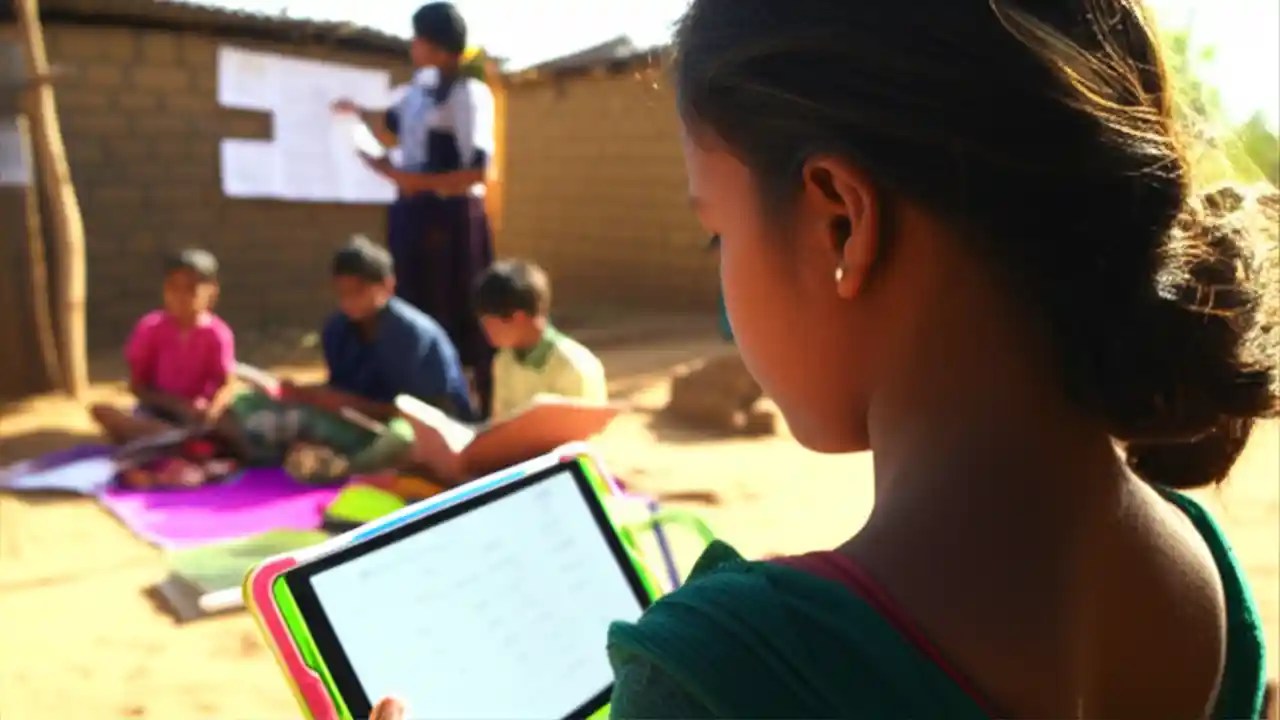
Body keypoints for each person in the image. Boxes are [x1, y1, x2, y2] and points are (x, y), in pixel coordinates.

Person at [370, 0, 1278, 718]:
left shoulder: (729, 670)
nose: (721, 264)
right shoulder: (1203, 580)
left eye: (713, 233)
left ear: (840, 222)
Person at [332, 1, 497, 420]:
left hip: (450, 220)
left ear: (441, 47)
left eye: (420, 38)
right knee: (411, 302)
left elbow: (479, 170)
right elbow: (392, 127)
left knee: (455, 305)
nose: (413, 45)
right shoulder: (418, 90)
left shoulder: (469, 94)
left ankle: (463, 405)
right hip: (413, 214)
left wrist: (412, 183)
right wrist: (357, 119)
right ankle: (408, 398)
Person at [230, 237, 472, 481]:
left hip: (427, 431)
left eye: (358, 291)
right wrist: (311, 396)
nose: (349, 301)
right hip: (363, 424)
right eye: (342, 292)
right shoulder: (337, 329)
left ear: (387, 286)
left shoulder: (412, 335)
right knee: (250, 403)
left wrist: (344, 403)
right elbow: (340, 392)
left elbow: (421, 413)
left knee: (401, 438)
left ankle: (346, 471)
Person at [89, 249, 244, 462]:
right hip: (157, 412)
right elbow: (137, 386)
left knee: (234, 427)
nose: (180, 296)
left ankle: (178, 444)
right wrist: (175, 405)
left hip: (199, 416)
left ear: (212, 291)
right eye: (173, 288)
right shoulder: (150, 328)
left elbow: (227, 384)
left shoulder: (218, 333)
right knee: (102, 411)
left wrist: (212, 410)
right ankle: (176, 443)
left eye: (190, 289)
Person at [473, 260, 608, 421]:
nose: (485, 330)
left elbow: (581, 435)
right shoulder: (503, 361)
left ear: (518, 317)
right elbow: (500, 423)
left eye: (488, 322)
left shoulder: (574, 366)